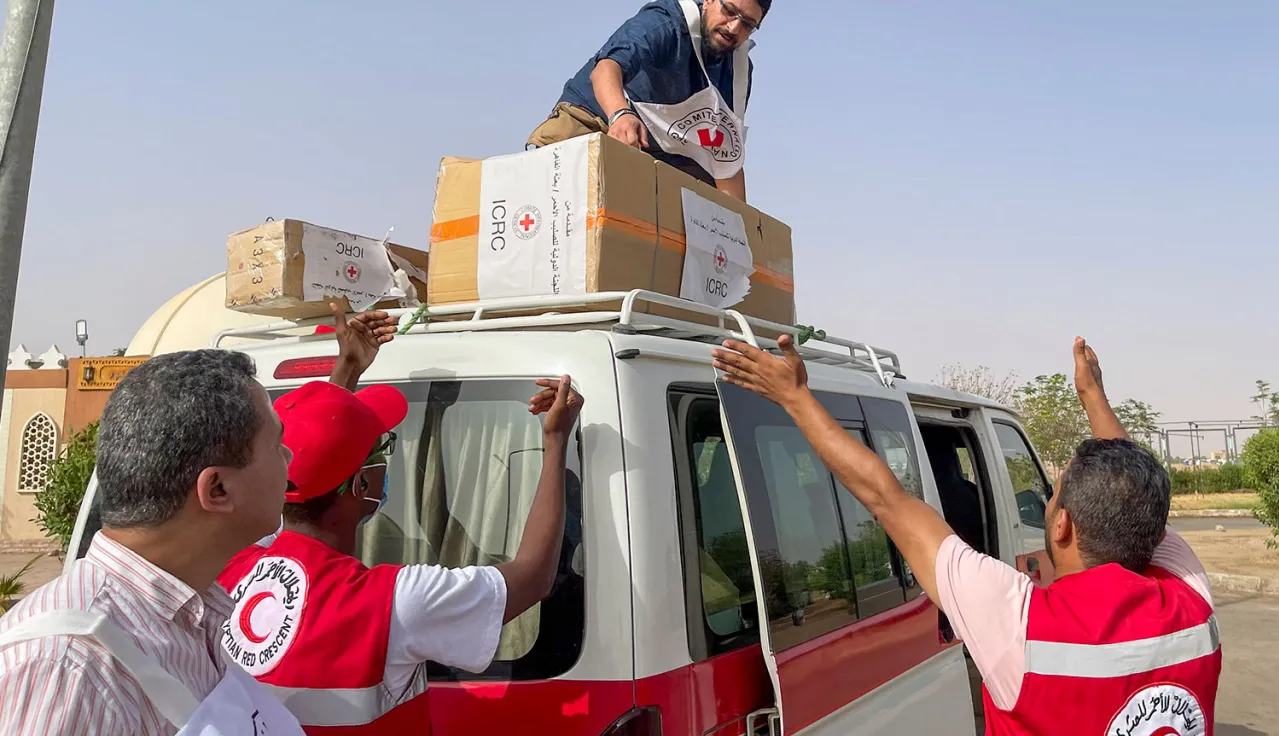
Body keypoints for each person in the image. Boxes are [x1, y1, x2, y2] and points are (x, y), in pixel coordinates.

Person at [711, 336, 1220, 735]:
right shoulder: (1192, 602)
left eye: (1054, 493)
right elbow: (1132, 493)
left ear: (1062, 525)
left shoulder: (1020, 625)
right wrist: (1093, 396)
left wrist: (795, 398)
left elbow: (887, 496)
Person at [216, 305, 584, 733]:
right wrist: (556, 442)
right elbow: (534, 576)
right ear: (360, 487)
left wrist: (348, 370)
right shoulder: (394, 602)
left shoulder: (230, 568)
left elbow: (307, 461)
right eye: (382, 449)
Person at [0, 350, 303, 735]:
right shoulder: (70, 669)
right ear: (218, 488)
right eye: (276, 445)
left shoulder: (186, 616)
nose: (289, 456)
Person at [528, 0, 770, 202]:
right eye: (728, 10)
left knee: (710, 214)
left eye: (748, 23)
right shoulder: (666, 22)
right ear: (708, 1)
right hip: (598, 120)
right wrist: (620, 114)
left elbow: (725, 157)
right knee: (556, 201)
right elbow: (605, 70)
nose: (733, 27)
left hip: (662, 154)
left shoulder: (738, 73)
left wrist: (740, 236)